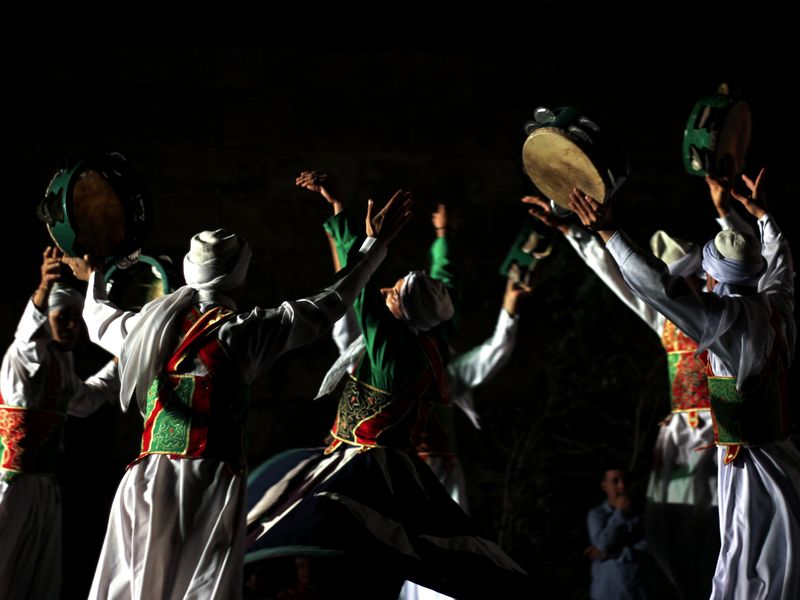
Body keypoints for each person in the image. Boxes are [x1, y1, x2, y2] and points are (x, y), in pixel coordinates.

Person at [62, 189, 413, 600]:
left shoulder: (148, 327)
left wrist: (95, 276)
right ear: (239, 276)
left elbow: (96, 317)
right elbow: (329, 303)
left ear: (191, 270)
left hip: (149, 479)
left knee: (137, 584)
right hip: (213, 482)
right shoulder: (247, 332)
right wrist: (373, 247)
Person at [244, 182, 531, 599]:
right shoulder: (427, 340)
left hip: (369, 469)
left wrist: (362, 233)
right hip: (381, 464)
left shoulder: (392, 348)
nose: (387, 290)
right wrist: (440, 241)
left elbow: (358, 293)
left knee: (306, 519)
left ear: (403, 311)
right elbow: (438, 286)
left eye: (395, 293)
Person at [568, 167, 800, 600]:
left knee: (746, 566)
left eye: (708, 275)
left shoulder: (723, 322)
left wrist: (610, 232)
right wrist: (763, 217)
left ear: (715, 279)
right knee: (766, 558)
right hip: (782, 456)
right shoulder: (774, 306)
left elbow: (658, 289)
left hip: (749, 467)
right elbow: (780, 262)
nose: (703, 282)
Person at [524, 178, 752, 599]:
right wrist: (577, 233)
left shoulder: (730, 314)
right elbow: (623, 280)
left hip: (727, 434)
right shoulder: (670, 316)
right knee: (674, 527)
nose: (690, 279)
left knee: (725, 524)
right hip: (682, 437)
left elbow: (751, 267)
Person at [0, 246, 119, 600]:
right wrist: (42, 290)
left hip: (44, 489)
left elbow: (85, 401)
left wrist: (121, 358)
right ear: (45, 318)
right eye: (61, 318)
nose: (70, 326)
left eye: (75, 320)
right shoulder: (23, 361)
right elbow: (25, 340)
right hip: (13, 485)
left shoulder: (62, 366)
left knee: (39, 577)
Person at [586, 467, 648, 600]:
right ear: (605, 486)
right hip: (606, 593)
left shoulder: (641, 515)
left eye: (624, 480)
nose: (622, 486)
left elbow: (646, 547)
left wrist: (613, 553)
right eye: (615, 481)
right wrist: (619, 513)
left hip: (635, 592)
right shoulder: (597, 515)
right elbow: (601, 544)